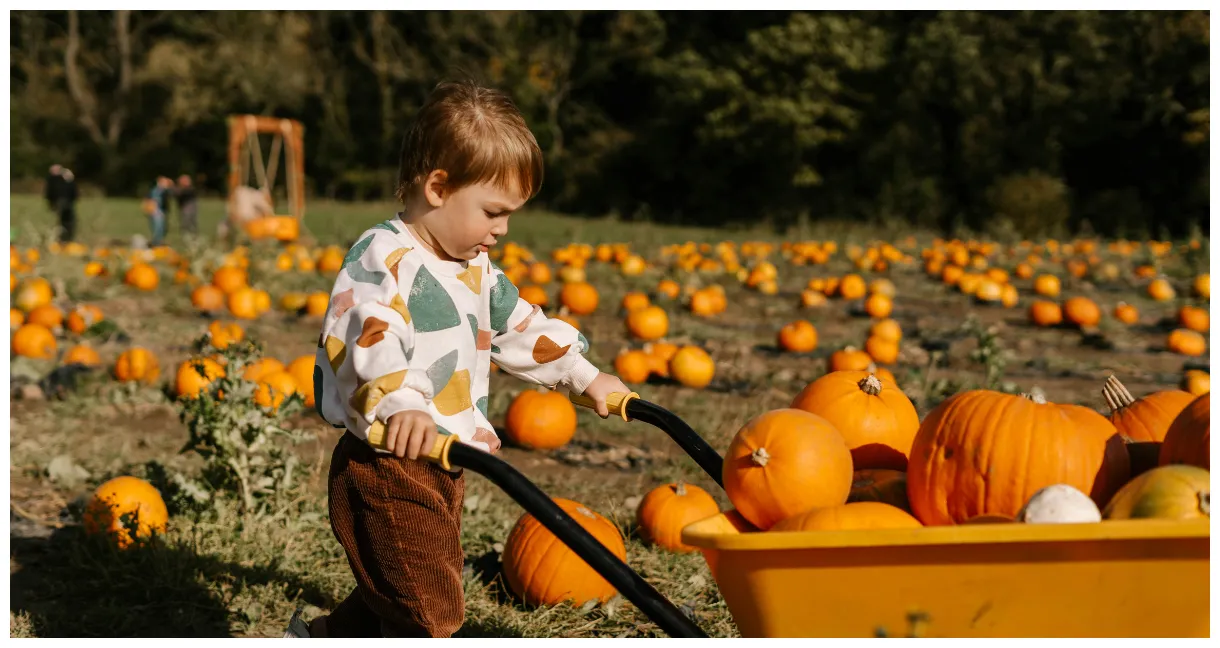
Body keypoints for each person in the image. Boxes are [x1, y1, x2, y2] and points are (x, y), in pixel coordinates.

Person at [288, 79, 631, 639]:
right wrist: (401, 404)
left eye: (510, 215)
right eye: (493, 211)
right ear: (439, 187)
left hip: (447, 460)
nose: (501, 229)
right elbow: (368, 334)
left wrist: (582, 375)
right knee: (432, 609)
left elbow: (520, 325)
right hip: (390, 460)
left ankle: (324, 637)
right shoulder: (384, 258)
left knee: (407, 582)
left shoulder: (475, 269)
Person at [146, 176, 173, 246]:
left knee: (163, 228)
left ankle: (158, 242)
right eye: (164, 182)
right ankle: (156, 243)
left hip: (162, 212)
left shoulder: (165, 191)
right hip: (156, 212)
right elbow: (150, 201)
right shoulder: (155, 191)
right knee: (158, 228)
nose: (165, 184)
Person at [56, 169, 79, 242]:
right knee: (64, 222)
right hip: (64, 204)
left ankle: (68, 238)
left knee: (69, 222)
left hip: (68, 204)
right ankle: (64, 238)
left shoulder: (71, 184)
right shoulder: (63, 184)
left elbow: (75, 195)